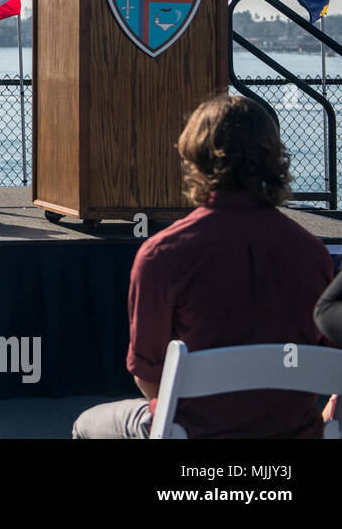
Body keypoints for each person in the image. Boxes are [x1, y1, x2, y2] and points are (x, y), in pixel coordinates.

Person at [72, 95, 333, 438]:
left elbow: (147, 375)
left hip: (192, 430)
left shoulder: (162, 254)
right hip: (291, 431)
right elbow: (331, 363)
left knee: (85, 425)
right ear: (273, 160)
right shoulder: (313, 253)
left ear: (194, 158)